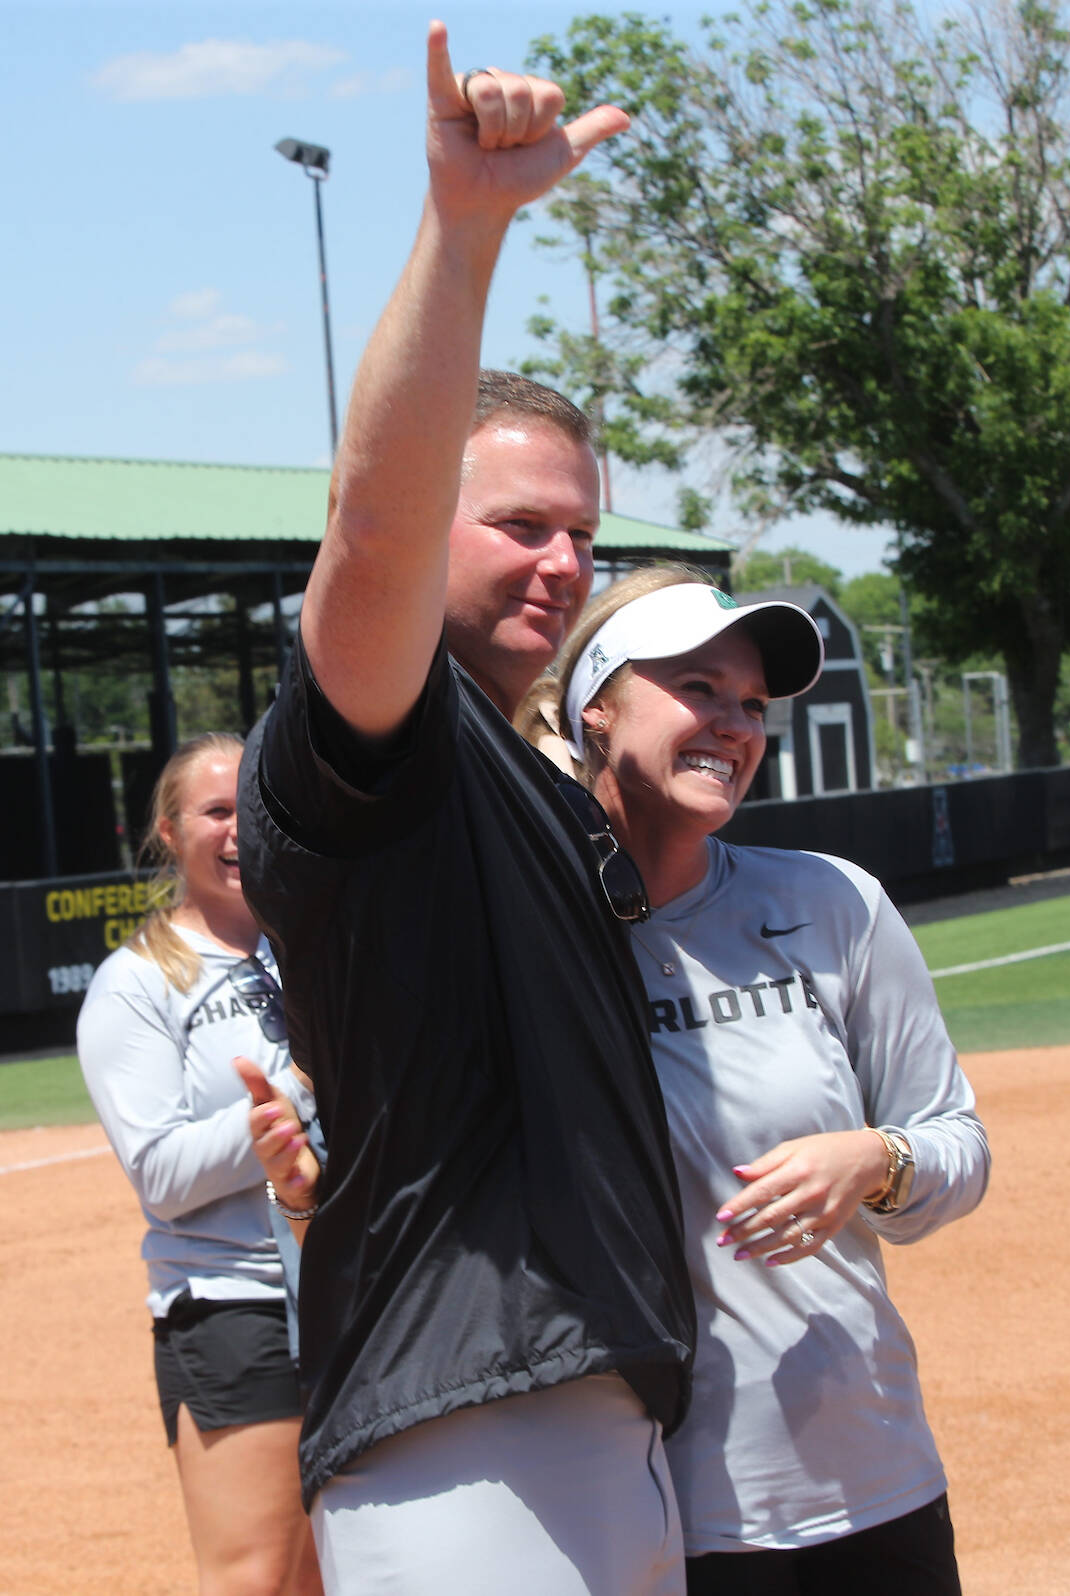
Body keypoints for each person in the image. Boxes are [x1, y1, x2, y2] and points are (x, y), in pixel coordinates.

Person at [235, 25, 694, 1596]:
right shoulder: (386, 726)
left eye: (582, 532)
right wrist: (465, 224)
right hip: (465, 1434)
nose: (562, 563)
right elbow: (370, 527)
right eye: (515, 525)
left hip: (587, 1421)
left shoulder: (523, 761)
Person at [518, 565, 990, 1594]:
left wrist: (873, 1156)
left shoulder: (832, 904)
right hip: (655, 1509)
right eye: (697, 687)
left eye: (752, 705)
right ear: (595, 706)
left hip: (876, 1477)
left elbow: (957, 1144)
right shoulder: (530, 939)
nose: (733, 724)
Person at [76, 733, 322, 1595]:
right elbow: (163, 1178)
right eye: (215, 811)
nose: (235, 830)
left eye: (250, 810)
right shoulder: (137, 984)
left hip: (349, 1292)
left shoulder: (316, 952)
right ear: (169, 831)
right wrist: (289, 1100)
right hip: (232, 1307)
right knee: (255, 1578)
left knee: (335, 1570)